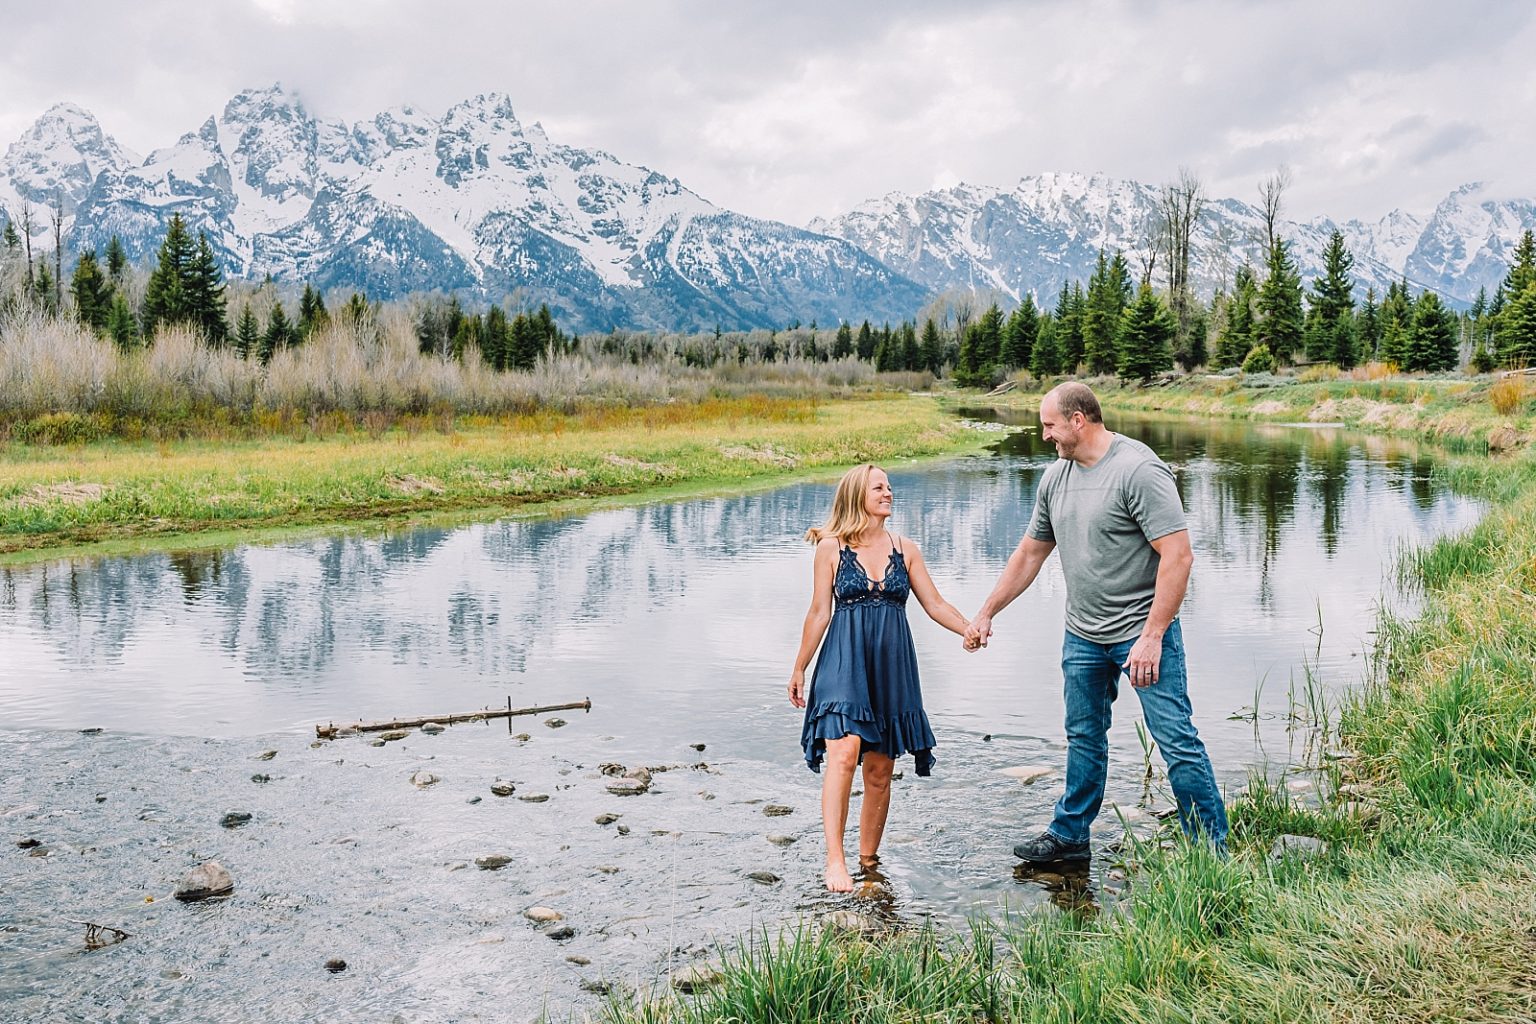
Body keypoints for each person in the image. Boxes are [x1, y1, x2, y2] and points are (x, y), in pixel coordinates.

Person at [964, 382, 1228, 863]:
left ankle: (1211, 851)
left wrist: (1152, 637)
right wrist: (986, 612)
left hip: (1142, 634)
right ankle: (1069, 837)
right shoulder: (1055, 479)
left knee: (1176, 740)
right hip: (1082, 635)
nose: (1045, 436)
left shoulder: (1138, 470)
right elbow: (1029, 554)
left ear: (1077, 421)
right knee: (1083, 736)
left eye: (1049, 426)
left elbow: (1179, 556)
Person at [789, 463, 971, 892]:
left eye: (889, 486)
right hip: (843, 658)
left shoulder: (906, 549)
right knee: (844, 752)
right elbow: (819, 612)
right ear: (857, 495)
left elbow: (935, 603)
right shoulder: (831, 549)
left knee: (879, 770)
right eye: (878, 487)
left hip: (891, 662)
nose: (888, 493)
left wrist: (968, 628)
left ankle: (869, 863)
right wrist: (799, 666)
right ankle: (835, 861)